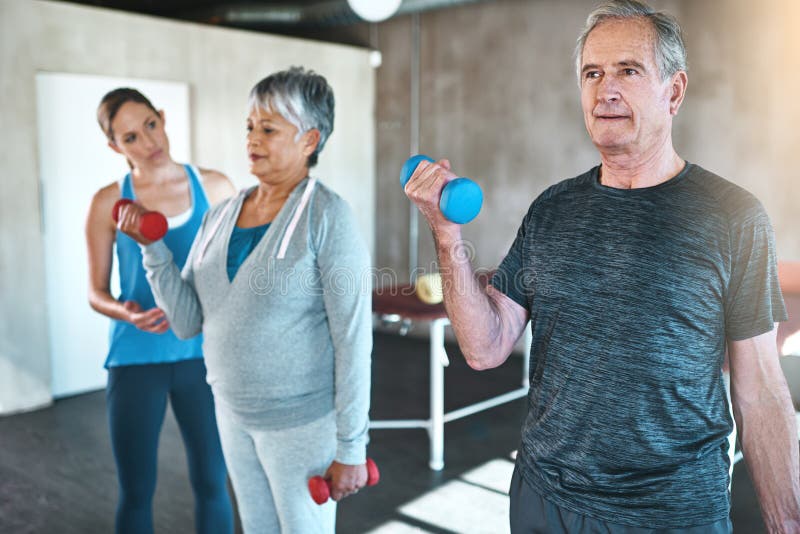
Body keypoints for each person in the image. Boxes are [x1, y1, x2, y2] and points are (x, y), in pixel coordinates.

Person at [404, 1, 800, 532]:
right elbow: (484, 346)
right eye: (592, 73)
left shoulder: (732, 216)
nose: (604, 89)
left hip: (669, 513)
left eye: (628, 71)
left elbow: (760, 393)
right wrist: (446, 234)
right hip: (544, 499)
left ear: (674, 91)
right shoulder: (551, 209)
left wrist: (786, 522)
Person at [116, 67, 373, 533]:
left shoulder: (328, 216)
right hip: (232, 416)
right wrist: (149, 247)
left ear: (309, 139)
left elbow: (354, 338)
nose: (253, 138)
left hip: (301, 426)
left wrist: (351, 448)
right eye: (250, 127)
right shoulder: (220, 216)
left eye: (269, 129)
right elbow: (188, 321)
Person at [85, 88, 236, 534]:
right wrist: (126, 314)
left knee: (213, 482)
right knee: (136, 490)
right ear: (115, 146)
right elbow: (95, 292)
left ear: (163, 118)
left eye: (151, 125)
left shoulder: (216, 187)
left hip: (204, 357)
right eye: (130, 137)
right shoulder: (106, 203)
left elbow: (233, 273)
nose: (147, 141)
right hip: (136, 358)